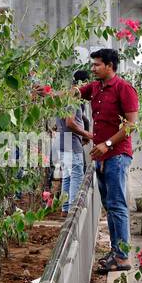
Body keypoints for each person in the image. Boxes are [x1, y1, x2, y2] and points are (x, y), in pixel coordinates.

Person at [78, 48, 139, 274]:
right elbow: (71, 95)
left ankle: (122, 258)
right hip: (102, 156)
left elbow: (131, 125)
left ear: (110, 66)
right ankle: (116, 251)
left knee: (117, 205)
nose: (93, 68)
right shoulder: (95, 87)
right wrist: (46, 93)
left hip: (117, 155)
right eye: (93, 65)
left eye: (97, 65)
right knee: (109, 206)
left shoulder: (124, 89)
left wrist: (108, 144)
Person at [58, 69, 93, 213]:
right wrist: (88, 134)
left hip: (63, 141)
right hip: (72, 143)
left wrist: (84, 128)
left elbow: (78, 118)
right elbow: (70, 122)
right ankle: (73, 211)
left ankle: (65, 209)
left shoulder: (63, 97)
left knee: (67, 177)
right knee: (76, 177)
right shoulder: (73, 98)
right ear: (82, 83)